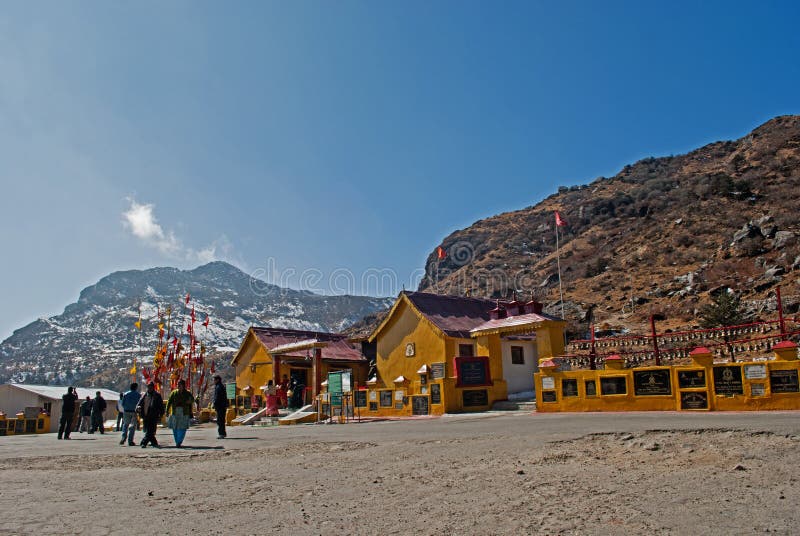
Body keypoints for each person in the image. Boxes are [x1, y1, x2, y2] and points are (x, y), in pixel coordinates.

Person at [166, 379, 194, 447]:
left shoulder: (187, 393)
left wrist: (188, 401)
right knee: (174, 427)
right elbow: (169, 402)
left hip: (184, 412)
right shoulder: (173, 393)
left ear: (184, 385)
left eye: (180, 384)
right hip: (175, 412)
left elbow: (192, 400)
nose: (178, 386)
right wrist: (167, 411)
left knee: (182, 427)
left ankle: (179, 441)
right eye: (178, 384)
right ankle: (177, 441)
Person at [136, 382, 164, 448]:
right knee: (149, 430)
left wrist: (162, 413)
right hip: (145, 415)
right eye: (148, 387)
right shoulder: (144, 395)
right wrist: (138, 408)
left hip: (154, 415)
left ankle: (144, 442)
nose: (149, 388)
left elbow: (161, 405)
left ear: (153, 387)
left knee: (151, 430)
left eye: (151, 387)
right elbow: (139, 404)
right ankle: (154, 442)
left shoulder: (157, 395)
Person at [212, 375, 228, 439]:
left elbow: (217, 397)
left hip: (220, 406)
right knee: (222, 420)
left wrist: (214, 404)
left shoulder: (219, 387)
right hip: (222, 406)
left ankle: (221, 433)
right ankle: (223, 433)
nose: (214, 381)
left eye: (214, 380)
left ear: (217, 380)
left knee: (220, 420)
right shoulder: (220, 386)